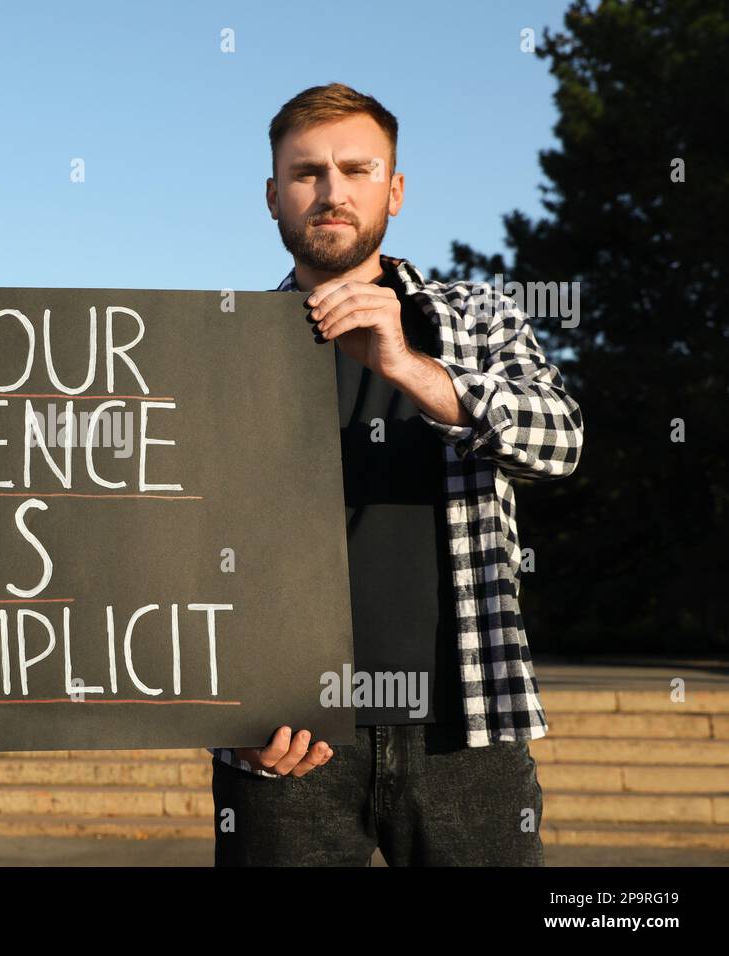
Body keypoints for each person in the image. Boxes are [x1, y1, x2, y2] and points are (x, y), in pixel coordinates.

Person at [211, 83, 584, 866]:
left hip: (465, 729)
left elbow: (561, 443)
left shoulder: (480, 318)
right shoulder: (225, 347)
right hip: (289, 738)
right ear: (273, 196)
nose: (332, 192)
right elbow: (184, 544)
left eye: (357, 168)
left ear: (396, 189)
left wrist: (411, 369)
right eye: (307, 173)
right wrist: (229, 718)